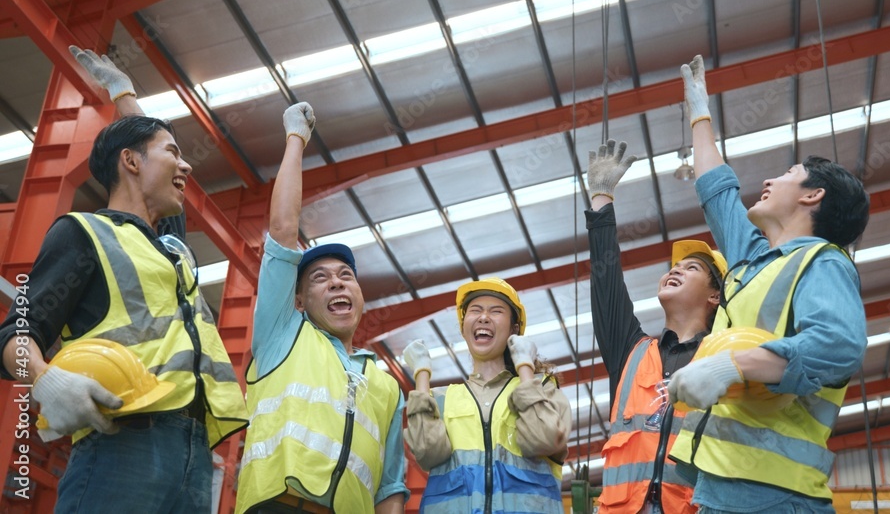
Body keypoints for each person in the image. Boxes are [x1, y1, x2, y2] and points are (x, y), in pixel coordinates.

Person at [0, 47, 248, 513]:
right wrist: (45, 380)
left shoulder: (170, 248)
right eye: (173, 154)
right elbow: (15, 333)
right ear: (131, 163)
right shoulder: (81, 233)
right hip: (122, 442)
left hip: (194, 452)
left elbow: (143, 149)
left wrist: (124, 94)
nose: (187, 166)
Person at [666, 55, 870, 513]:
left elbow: (839, 344)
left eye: (787, 174)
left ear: (813, 195)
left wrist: (729, 368)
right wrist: (699, 115)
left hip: (775, 493)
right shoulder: (751, 261)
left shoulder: (822, 262)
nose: (768, 179)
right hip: (724, 487)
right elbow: (717, 191)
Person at [235, 102, 408, 514]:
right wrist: (296, 138)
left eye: (346, 275)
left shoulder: (387, 388)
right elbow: (282, 232)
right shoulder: (284, 334)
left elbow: (389, 486)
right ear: (298, 301)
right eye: (319, 278)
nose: (336, 281)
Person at [585, 139, 727, 513]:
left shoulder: (724, 358)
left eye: (691, 268)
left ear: (716, 296)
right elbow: (606, 286)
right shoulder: (631, 352)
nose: (675, 269)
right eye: (675, 266)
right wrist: (601, 201)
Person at [402, 277, 571, 513]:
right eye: (475, 310)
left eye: (496, 311)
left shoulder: (543, 389)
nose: (483, 317)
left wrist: (525, 368)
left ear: (514, 330)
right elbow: (428, 453)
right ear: (463, 328)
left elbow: (543, 439)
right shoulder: (441, 399)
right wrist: (421, 374)